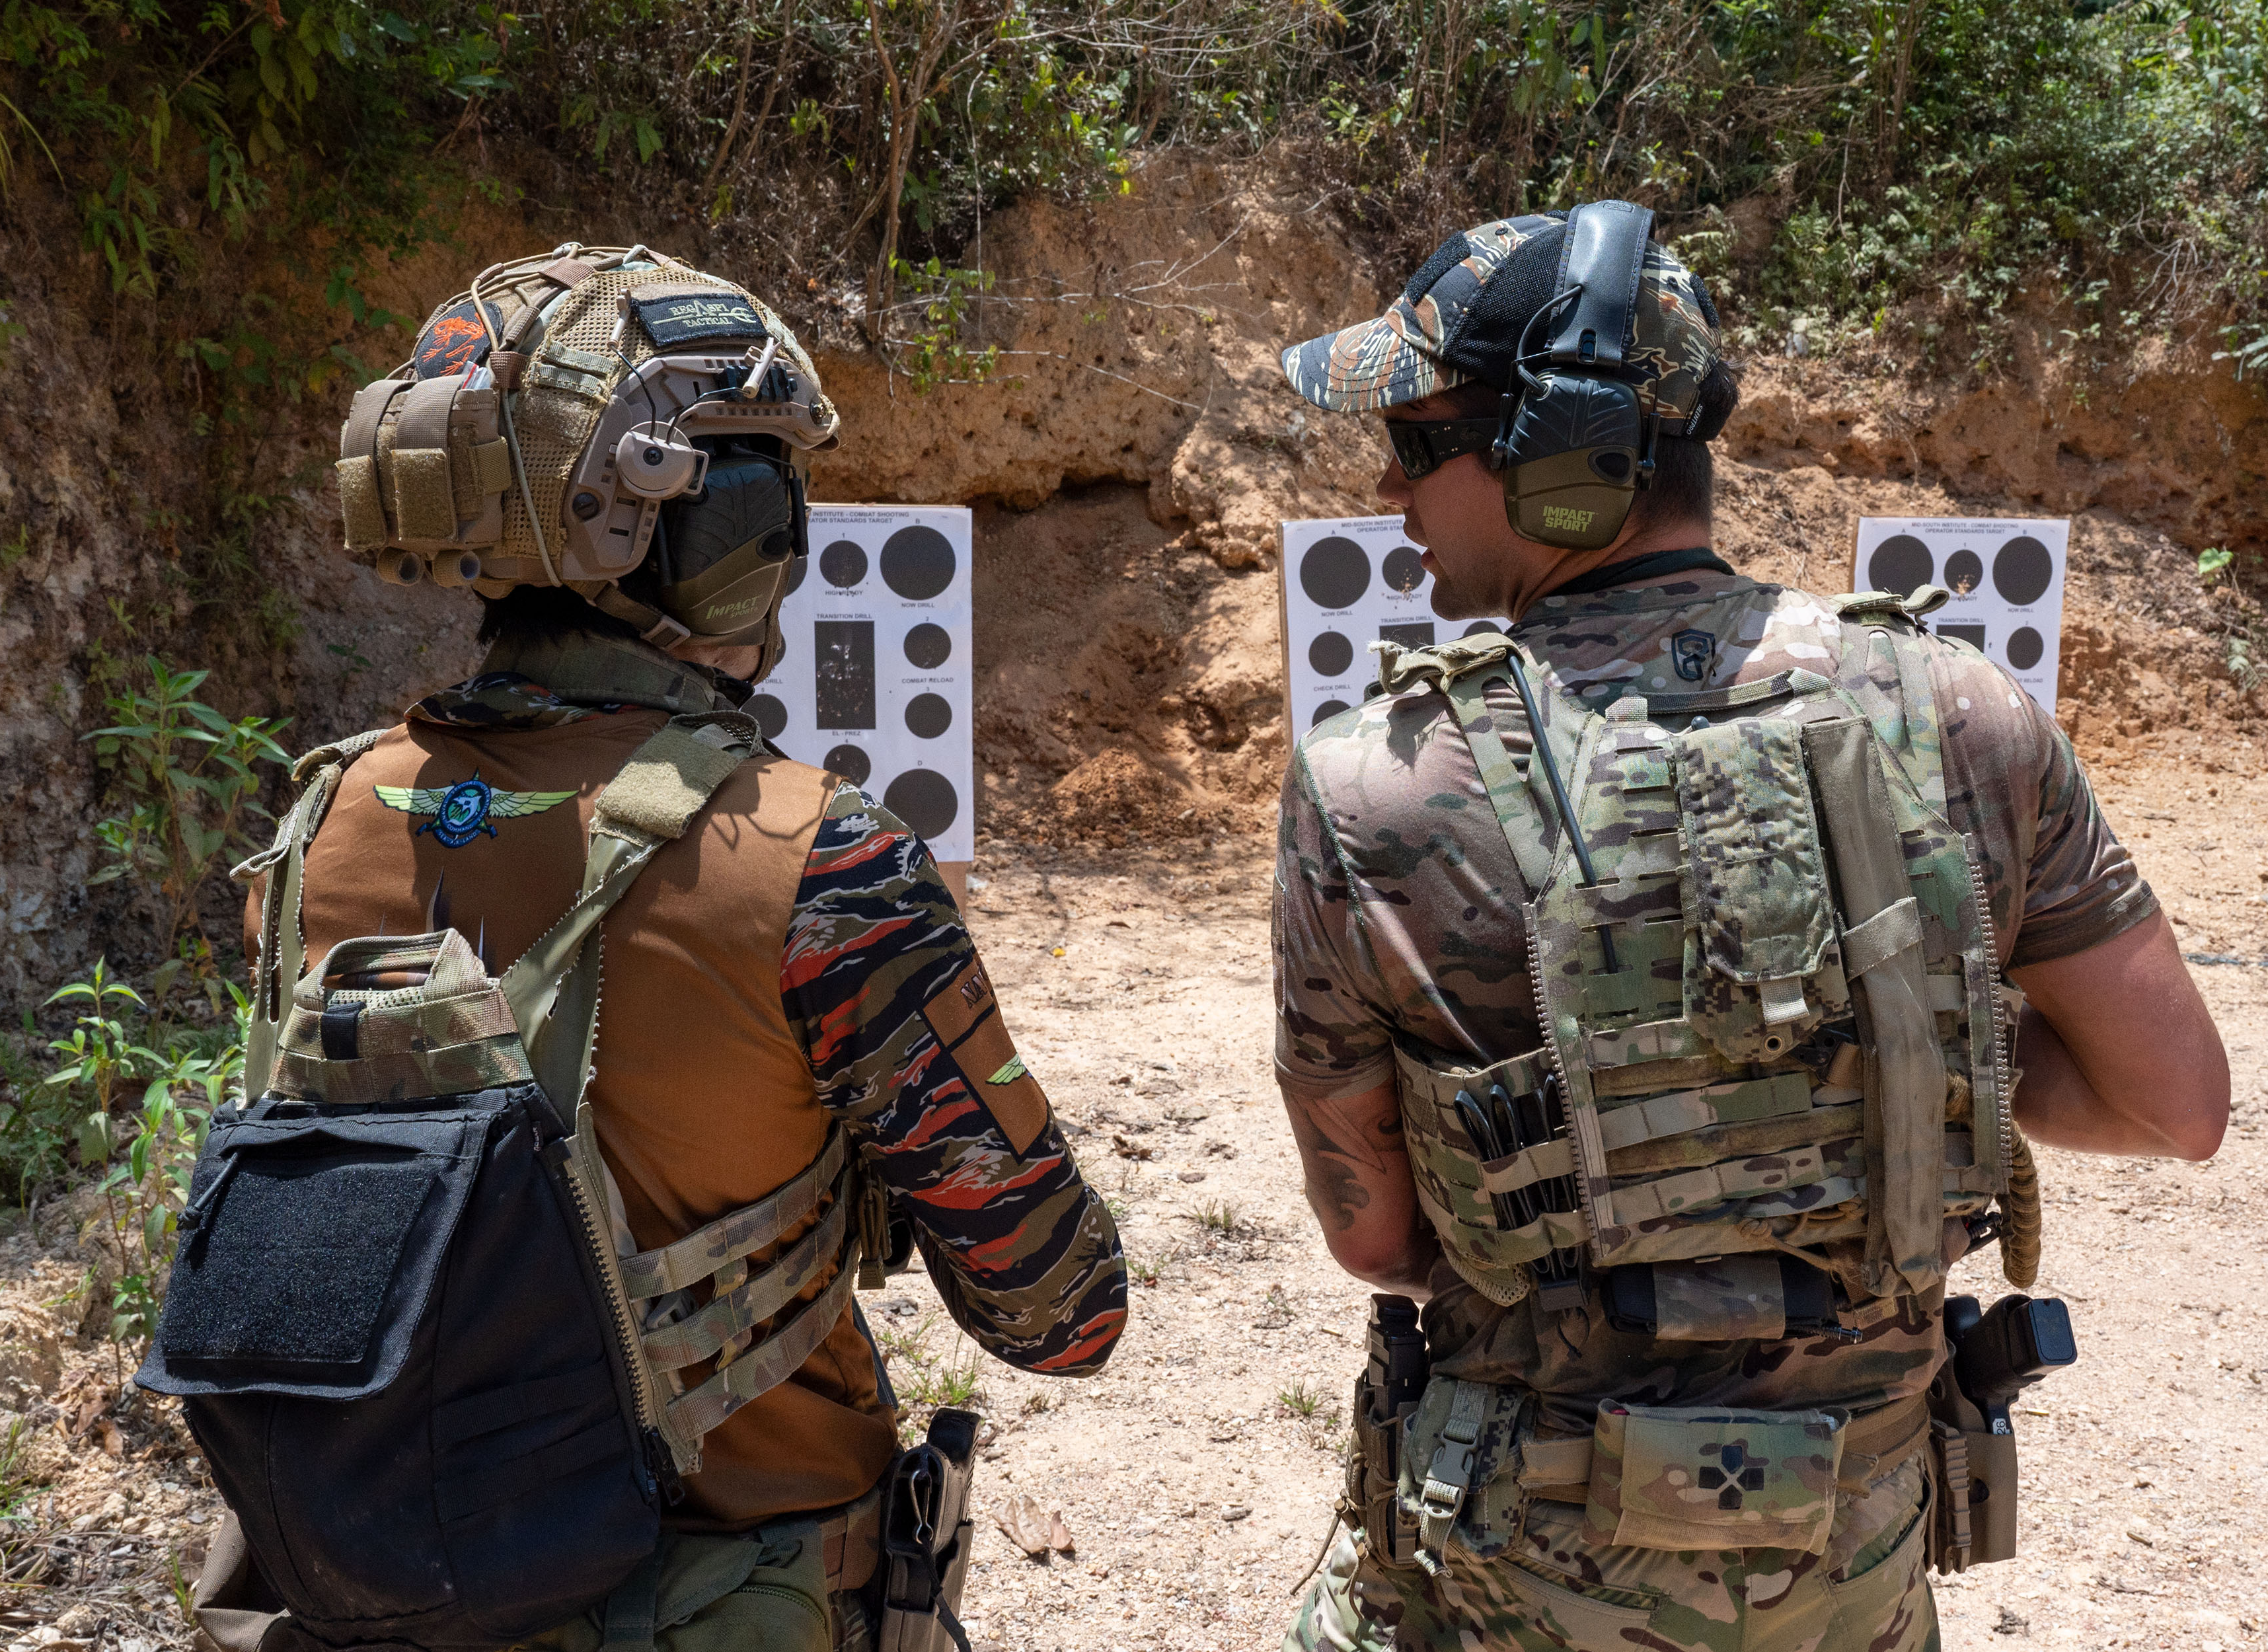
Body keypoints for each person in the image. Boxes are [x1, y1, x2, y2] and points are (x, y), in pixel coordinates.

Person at [1270, 206, 2227, 1651]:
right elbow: (2175, 1104)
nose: (1388, 495)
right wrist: (1899, 1045)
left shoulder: (1373, 786)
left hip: (1515, 1571)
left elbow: (1382, 1238)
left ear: (1562, 456)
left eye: (1414, 445)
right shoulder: (1959, 713)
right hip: (1853, 1559)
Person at [181, 243, 1127, 1652]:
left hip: (382, 1587)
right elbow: (1060, 1308)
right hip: (726, 1593)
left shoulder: (317, 827)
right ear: (720, 526)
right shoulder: (818, 859)